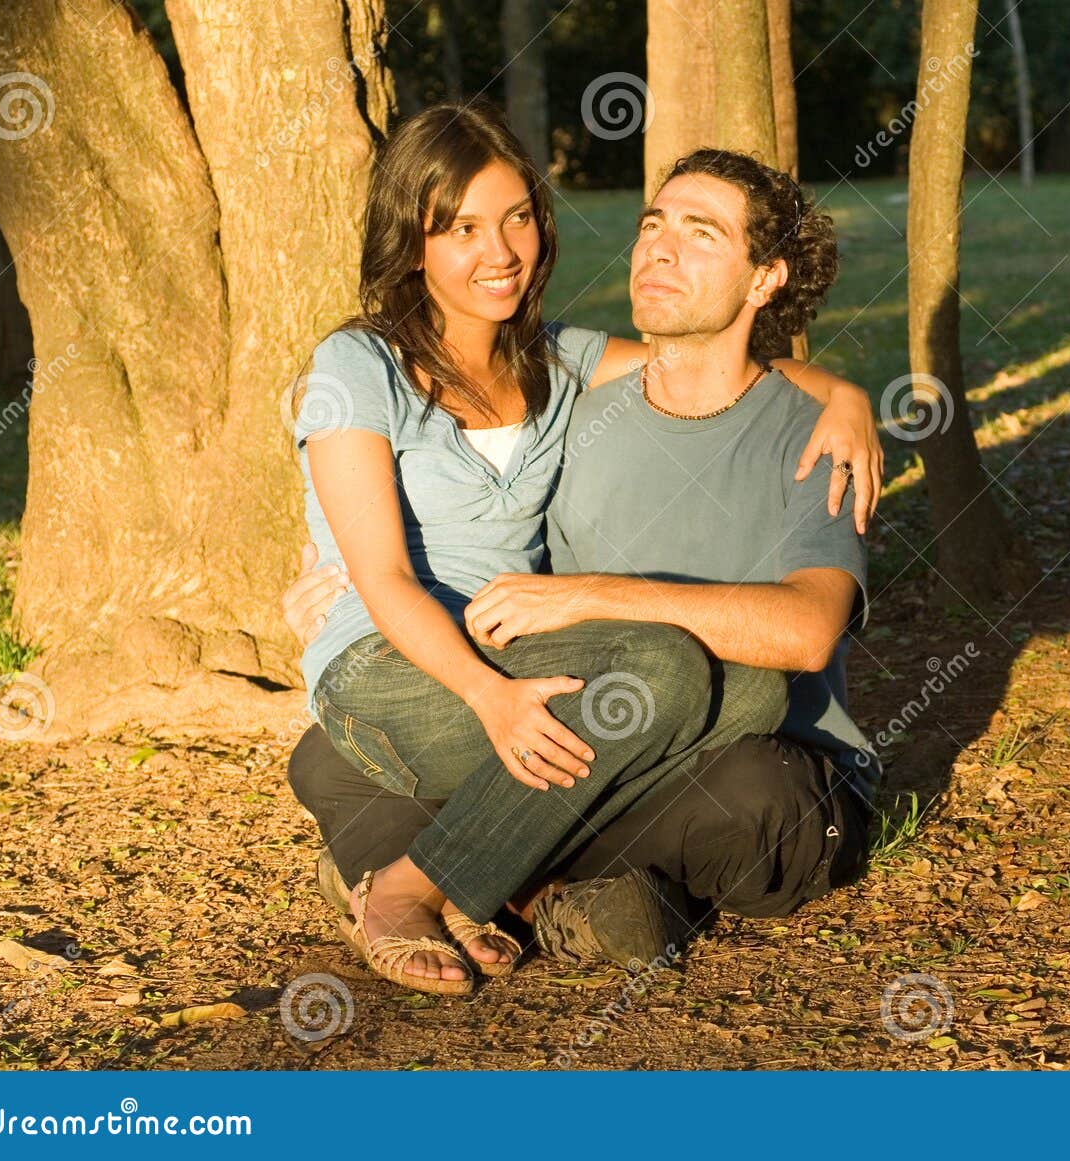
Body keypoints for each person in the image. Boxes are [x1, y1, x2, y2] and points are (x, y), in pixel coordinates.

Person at [291, 101, 880, 995]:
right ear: (412, 244)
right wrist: (492, 697)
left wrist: (843, 393)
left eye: (517, 218)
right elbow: (382, 578)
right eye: (460, 229)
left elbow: (695, 352)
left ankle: (468, 871)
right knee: (668, 678)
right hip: (400, 659)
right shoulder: (357, 366)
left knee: (752, 687)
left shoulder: (554, 362)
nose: (499, 251)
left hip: (522, 655)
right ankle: (433, 886)